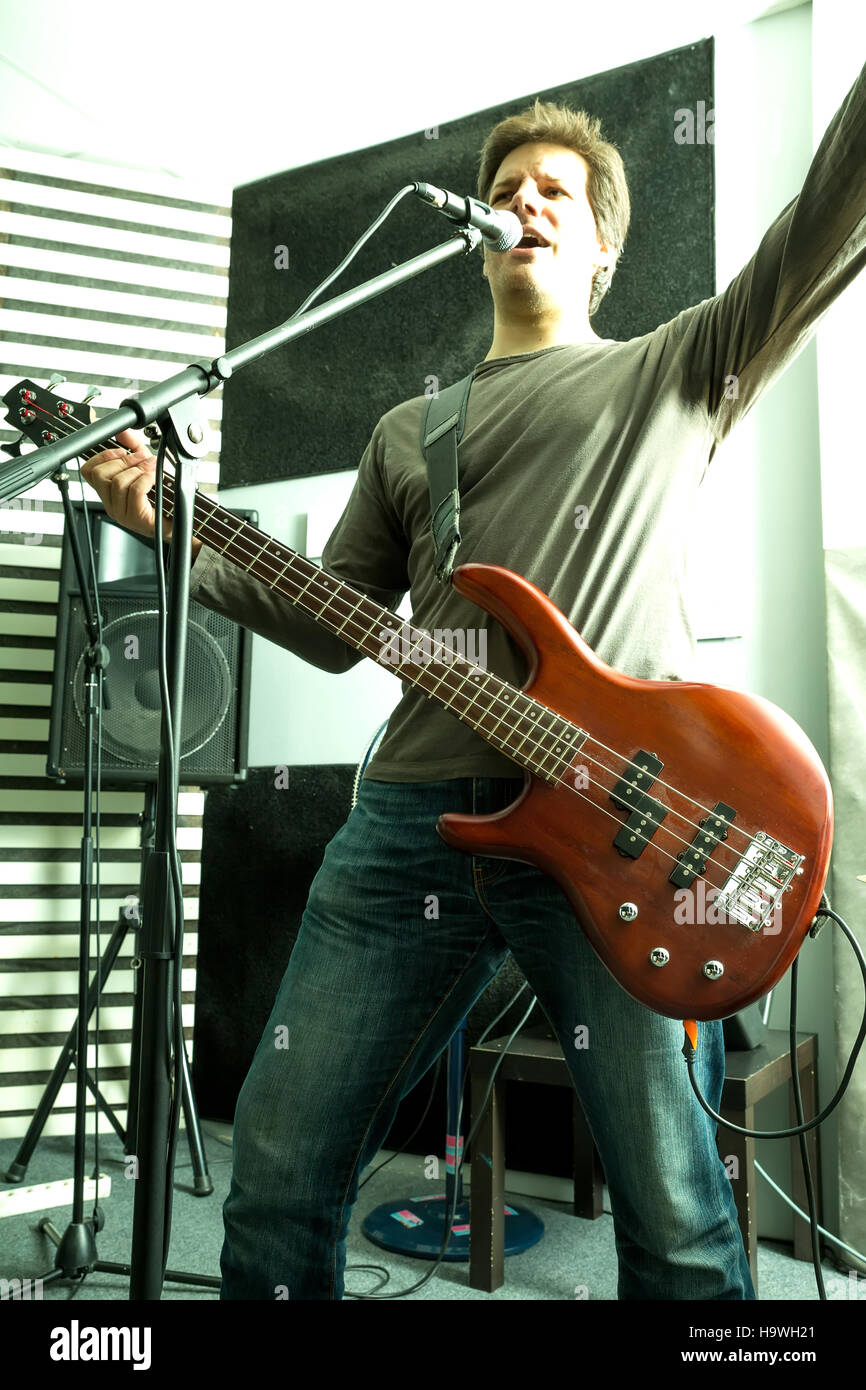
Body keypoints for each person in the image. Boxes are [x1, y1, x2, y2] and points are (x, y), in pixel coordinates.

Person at [81, 74, 866, 1300]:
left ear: (602, 247)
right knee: (279, 1169)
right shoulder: (410, 429)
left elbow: (825, 220)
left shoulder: (678, 365)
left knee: (677, 1220)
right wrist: (179, 532)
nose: (521, 203)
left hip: (625, 831)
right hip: (408, 827)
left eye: (554, 192)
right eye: (504, 189)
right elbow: (333, 621)